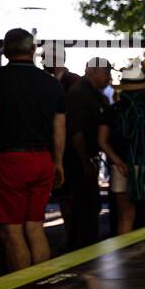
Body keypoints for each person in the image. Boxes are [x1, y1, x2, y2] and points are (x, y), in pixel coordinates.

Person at [0, 28, 65, 273]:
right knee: (35, 226)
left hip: (10, 161)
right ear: (33, 50)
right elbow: (60, 127)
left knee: (12, 228)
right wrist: (58, 162)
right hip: (43, 160)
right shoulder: (51, 83)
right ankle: (43, 285)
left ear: (5, 51)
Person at [98, 62, 145, 234]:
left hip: (121, 168)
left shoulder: (113, 110)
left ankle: (124, 258)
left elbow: (102, 140)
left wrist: (117, 161)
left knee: (125, 217)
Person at [61, 57, 111, 249]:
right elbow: (76, 132)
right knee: (83, 208)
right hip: (78, 159)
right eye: (105, 73)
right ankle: (80, 248)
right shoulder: (79, 94)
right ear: (92, 71)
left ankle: (86, 246)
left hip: (87, 157)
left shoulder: (94, 94)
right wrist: (85, 161)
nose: (108, 78)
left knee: (90, 207)